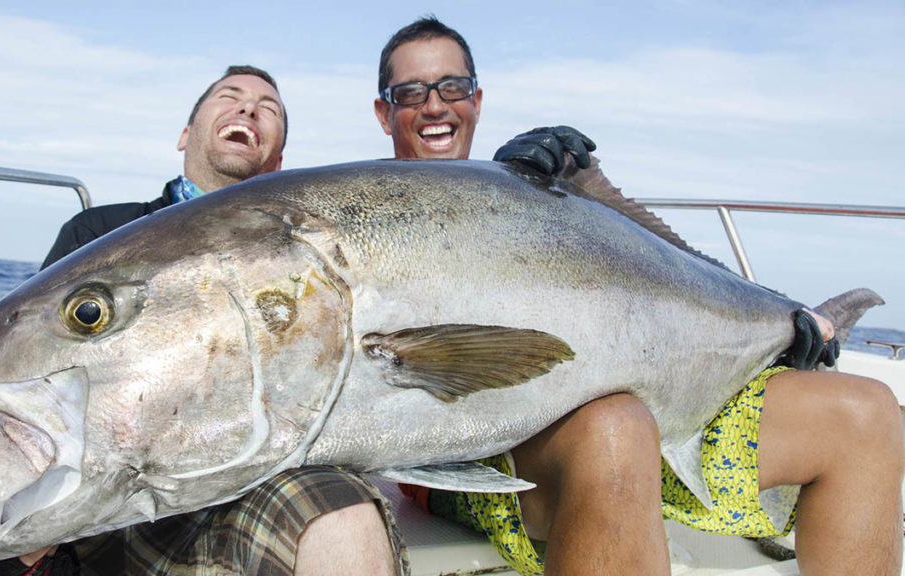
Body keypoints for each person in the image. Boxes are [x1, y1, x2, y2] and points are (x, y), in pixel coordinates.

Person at [374, 16, 903, 576]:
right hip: (485, 459)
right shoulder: (361, 216)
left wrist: (780, 328)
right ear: (385, 112)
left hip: (644, 410)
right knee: (616, 428)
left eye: (451, 87)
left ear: (476, 99)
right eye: (410, 92)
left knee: (865, 414)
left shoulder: (533, 182)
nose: (433, 105)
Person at [0, 66, 405, 576]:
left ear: (280, 157)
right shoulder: (98, 230)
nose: (248, 107)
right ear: (185, 134)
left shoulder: (301, 255)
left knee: (340, 511)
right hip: (61, 518)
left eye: (268, 108)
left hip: (210, 513)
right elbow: (35, 373)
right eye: (229, 96)